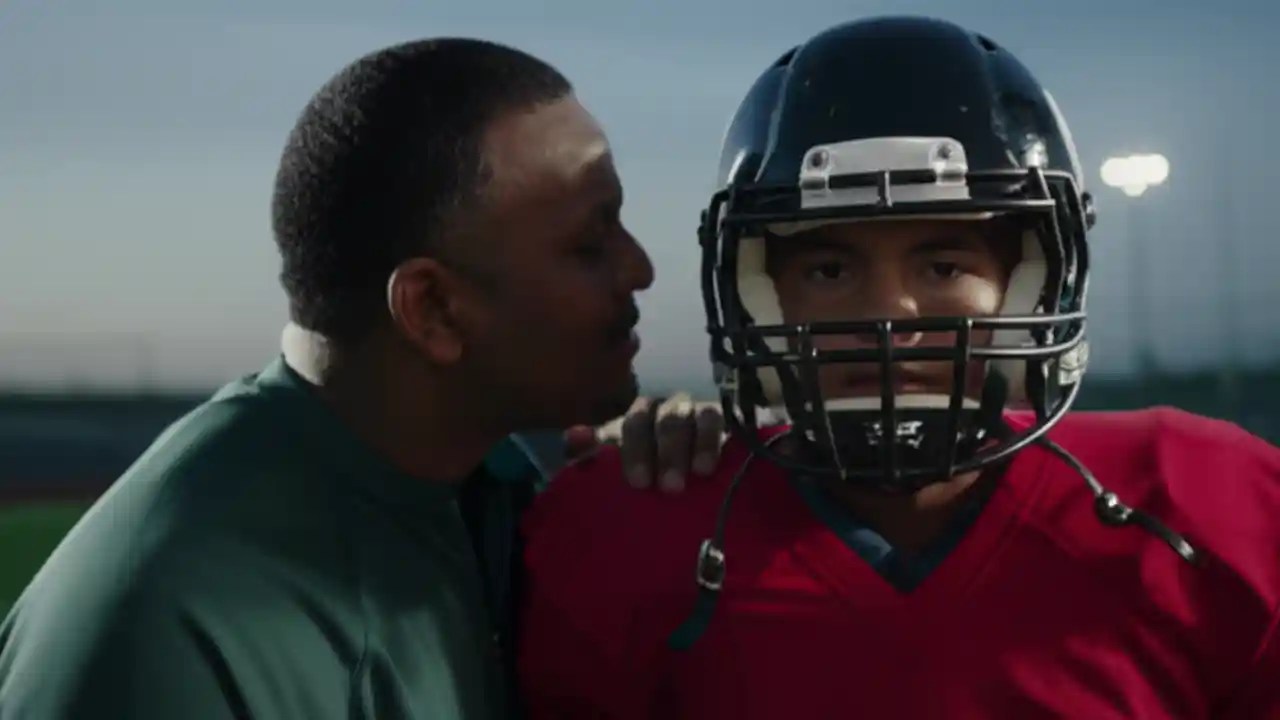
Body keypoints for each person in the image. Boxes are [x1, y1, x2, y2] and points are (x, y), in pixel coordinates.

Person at [518, 16, 1280, 719]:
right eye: (828, 270)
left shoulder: (1202, 507)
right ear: (760, 293)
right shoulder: (624, 528)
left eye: (944, 263)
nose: (892, 311)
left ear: (1034, 281)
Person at [0, 37, 662, 720]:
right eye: (591, 241)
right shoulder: (169, 630)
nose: (641, 268)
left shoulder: (484, 483)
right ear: (431, 309)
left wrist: (678, 474)